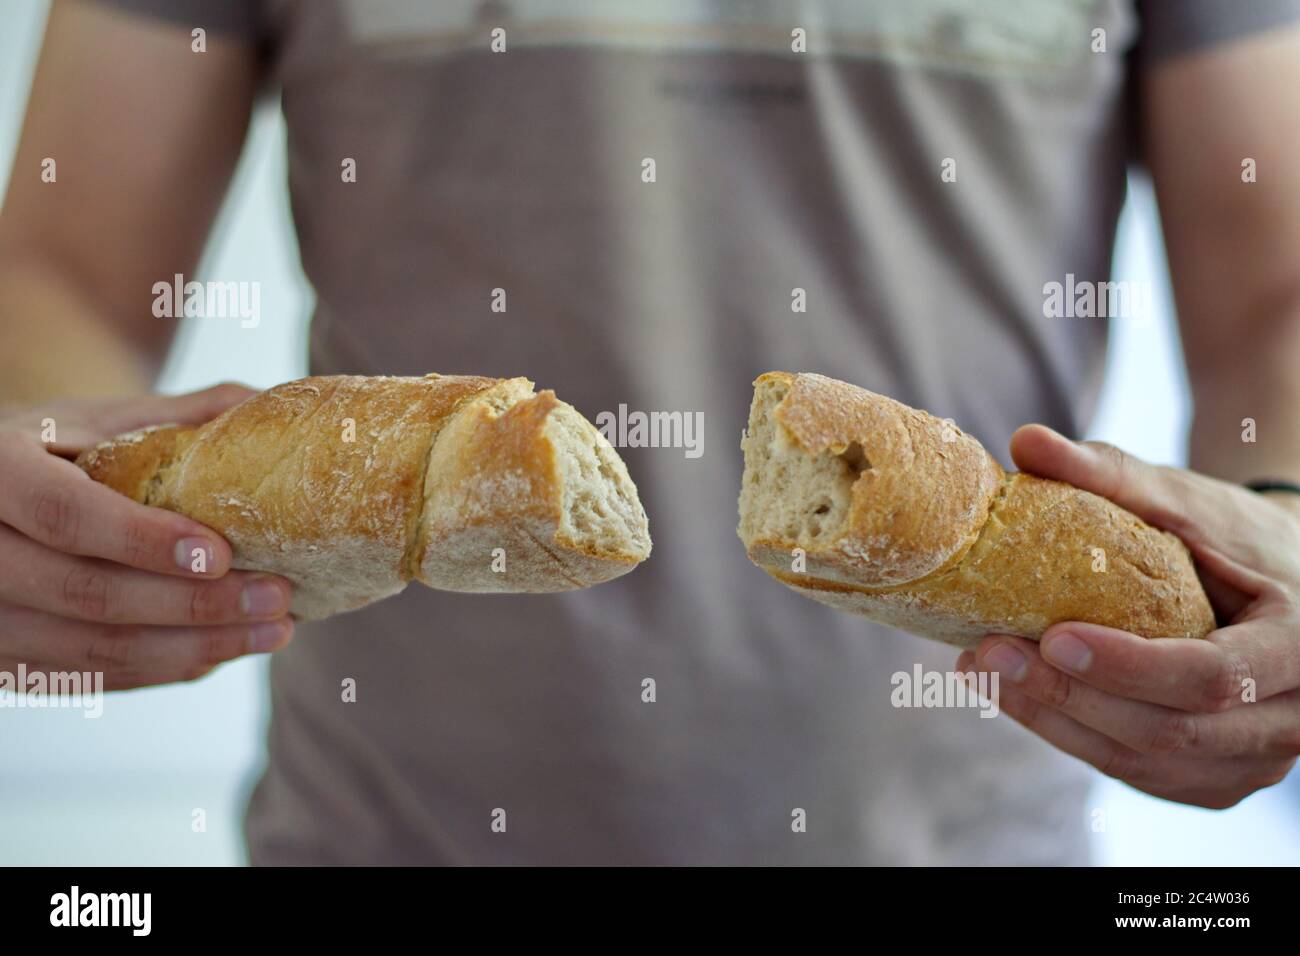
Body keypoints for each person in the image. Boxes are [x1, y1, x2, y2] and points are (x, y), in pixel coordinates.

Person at [2, 0, 1299, 865]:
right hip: (387, 833)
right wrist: (40, 490)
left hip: (971, 834)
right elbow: (65, 272)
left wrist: (1285, 519)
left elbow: (1273, 307)